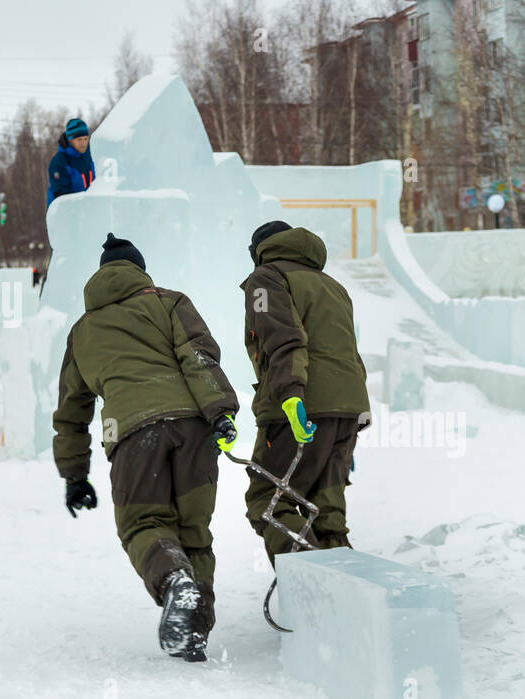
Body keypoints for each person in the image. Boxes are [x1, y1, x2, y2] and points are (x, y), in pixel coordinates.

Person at [53, 234, 239, 662]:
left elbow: (71, 411)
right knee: (194, 533)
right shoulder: (170, 303)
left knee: (142, 524)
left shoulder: (82, 332)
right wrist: (219, 411)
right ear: (139, 271)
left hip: (135, 434)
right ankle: (194, 632)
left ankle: (176, 584)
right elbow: (199, 356)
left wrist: (75, 475)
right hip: (193, 430)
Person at [239, 220, 370, 564]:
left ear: (260, 251)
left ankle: (313, 587)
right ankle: (350, 594)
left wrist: (290, 395)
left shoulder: (265, 279)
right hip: (347, 407)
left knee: (268, 499)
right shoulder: (333, 286)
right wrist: (349, 420)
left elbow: (282, 338)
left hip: (301, 403)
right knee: (328, 512)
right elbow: (347, 349)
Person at [46, 118, 95, 207]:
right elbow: (61, 195)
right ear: (70, 140)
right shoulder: (59, 162)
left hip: (88, 211)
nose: (83, 143)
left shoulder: (91, 156)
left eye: (85, 139)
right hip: (64, 213)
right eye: (79, 140)